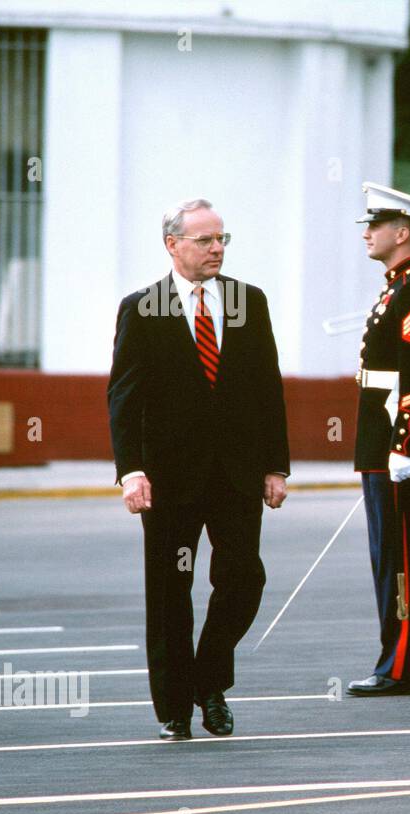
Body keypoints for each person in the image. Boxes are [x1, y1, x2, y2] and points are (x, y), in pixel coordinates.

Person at [108, 197, 289, 739]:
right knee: (170, 591)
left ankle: (208, 678)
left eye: (222, 239)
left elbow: (267, 388)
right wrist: (131, 470)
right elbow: (124, 395)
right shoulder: (142, 307)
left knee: (243, 578)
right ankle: (175, 709)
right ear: (173, 245)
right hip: (169, 479)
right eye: (206, 240)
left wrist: (275, 465)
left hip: (236, 473)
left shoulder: (247, 301)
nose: (217, 249)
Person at [344, 183, 410, 697]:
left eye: (376, 225)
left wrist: (404, 445)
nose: (367, 233)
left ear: (402, 232)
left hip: (396, 442)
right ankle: (393, 658)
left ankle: (402, 666)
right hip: (378, 438)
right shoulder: (396, 287)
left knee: (400, 556)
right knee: (386, 554)